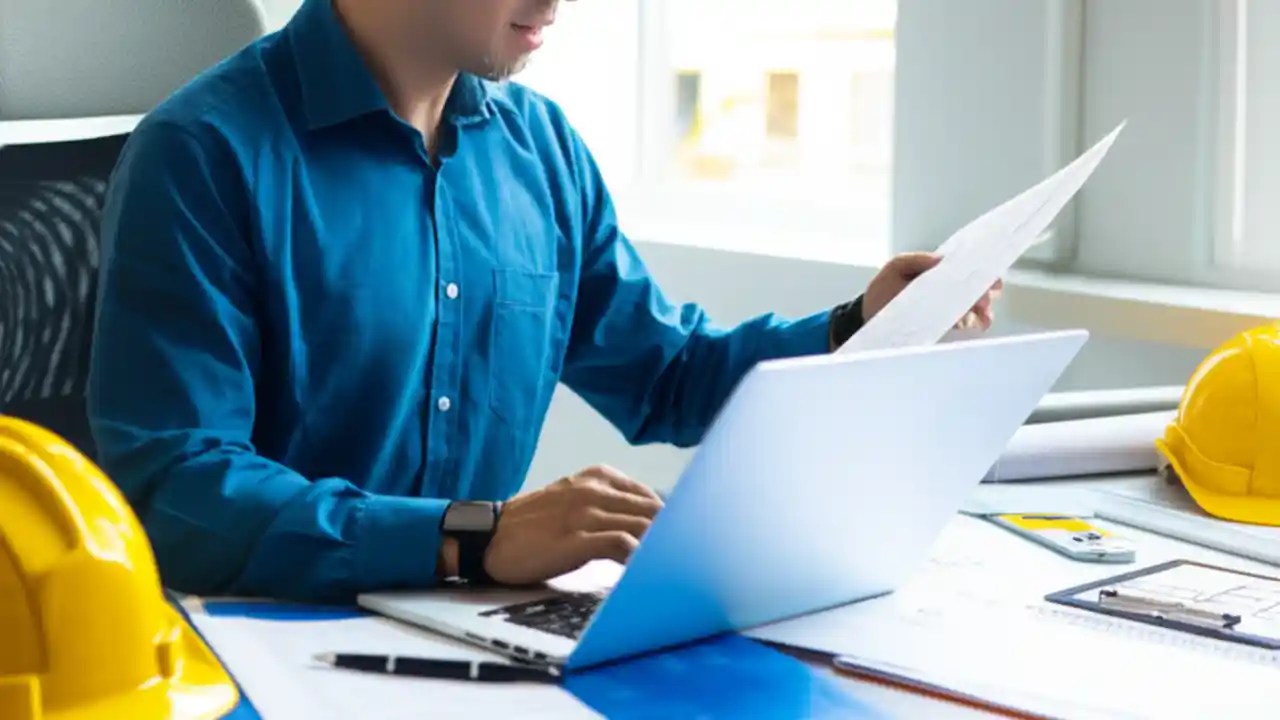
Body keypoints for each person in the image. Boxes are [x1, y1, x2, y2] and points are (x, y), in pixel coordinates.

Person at [89, 0, 1002, 603]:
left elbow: (667, 378)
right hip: (258, 654)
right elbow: (177, 488)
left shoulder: (541, 152)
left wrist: (856, 328)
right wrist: (471, 539)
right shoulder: (203, 152)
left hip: (467, 636)